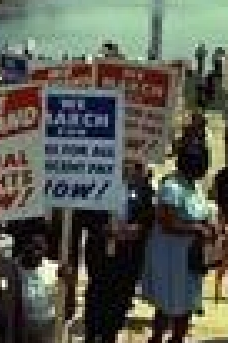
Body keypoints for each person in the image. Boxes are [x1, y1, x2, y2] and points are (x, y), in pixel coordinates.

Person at [140, 146, 214, 343]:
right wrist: (197, 229)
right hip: (170, 255)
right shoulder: (171, 186)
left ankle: (177, 338)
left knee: (187, 301)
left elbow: (202, 214)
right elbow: (167, 222)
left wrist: (210, 227)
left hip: (191, 256)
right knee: (167, 302)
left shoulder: (195, 187)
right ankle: (156, 338)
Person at [80, 157, 155, 343]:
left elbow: (149, 219)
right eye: (124, 162)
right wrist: (102, 228)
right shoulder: (96, 183)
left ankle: (110, 334)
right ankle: (91, 333)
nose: (128, 167)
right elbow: (84, 215)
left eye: (134, 164)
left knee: (121, 296)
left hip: (128, 255)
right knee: (97, 293)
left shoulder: (144, 190)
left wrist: (137, 229)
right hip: (100, 251)